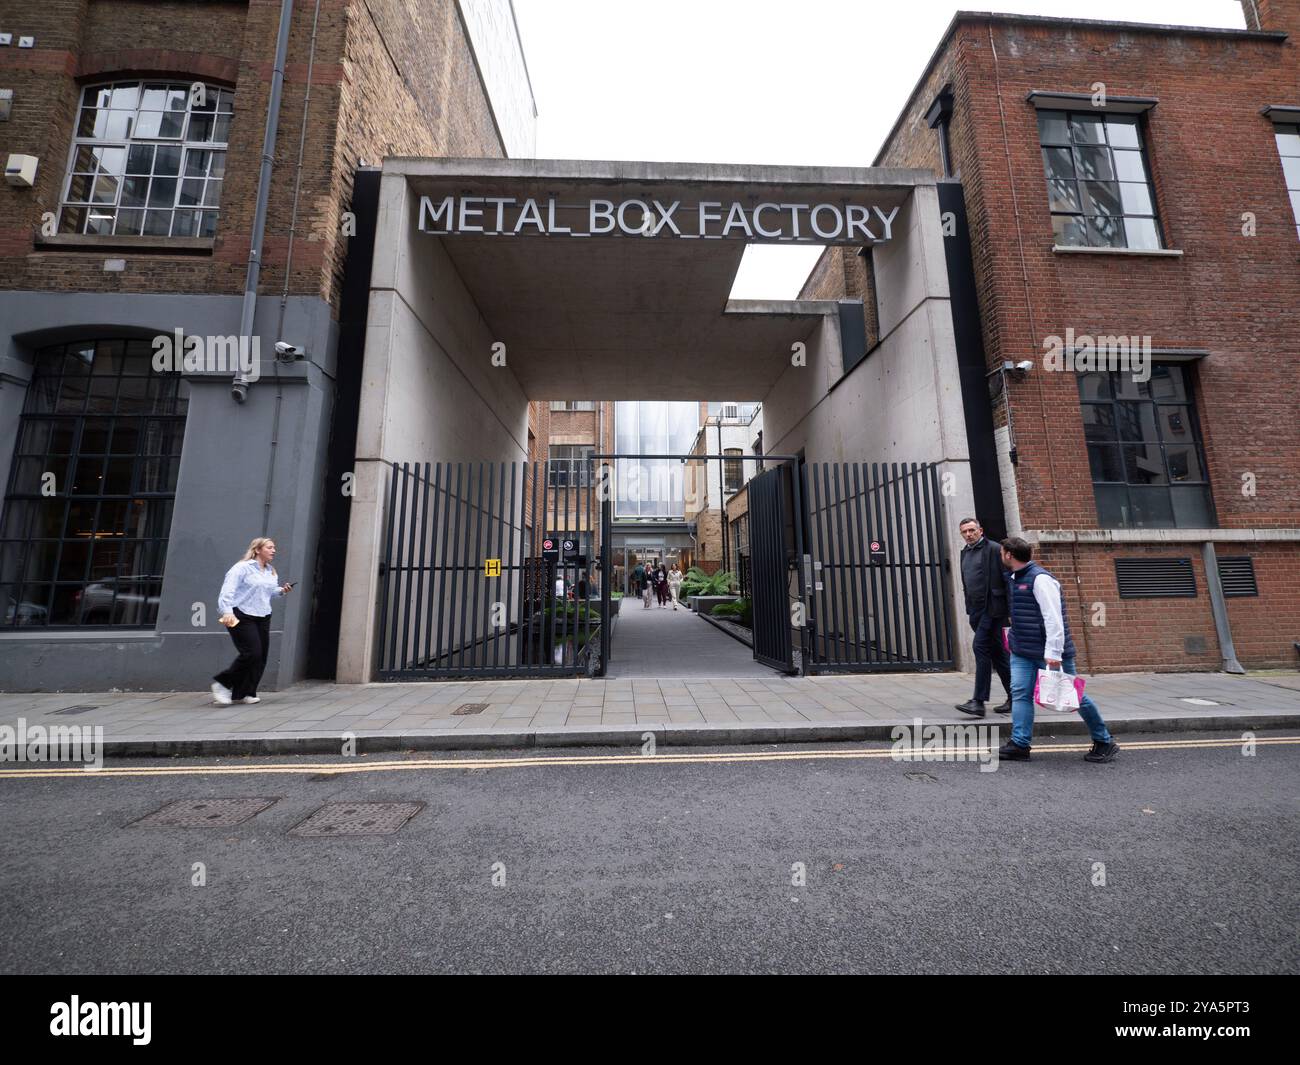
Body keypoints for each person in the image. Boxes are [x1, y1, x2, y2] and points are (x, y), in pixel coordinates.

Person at [998, 537, 1118, 763]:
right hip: (1022, 650)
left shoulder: (1041, 580)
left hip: (1048, 653)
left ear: (1008, 555)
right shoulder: (1017, 578)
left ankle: (1104, 740)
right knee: (1020, 693)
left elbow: (1053, 620)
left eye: (1002, 553)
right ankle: (1020, 744)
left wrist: (1053, 654)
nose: (1001, 556)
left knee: (1074, 697)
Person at [211, 537, 292, 706]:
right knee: (252, 653)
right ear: (257, 550)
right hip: (240, 614)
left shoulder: (270, 571)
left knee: (260, 656)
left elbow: (268, 592)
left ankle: (246, 692)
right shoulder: (242, 568)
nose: (274, 550)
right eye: (269, 547)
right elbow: (228, 590)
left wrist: (282, 591)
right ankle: (222, 684)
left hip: (263, 615)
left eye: (274, 547)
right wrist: (227, 611)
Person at [954, 517, 1011, 718]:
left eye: (971, 530)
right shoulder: (965, 552)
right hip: (976, 610)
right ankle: (1016, 697)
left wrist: (1009, 610)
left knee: (980, 647)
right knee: (998, 653)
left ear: (981, 530)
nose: (968, 534)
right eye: (964, 532)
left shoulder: (994, 549)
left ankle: (978, 702)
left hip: (992, 608)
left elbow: (1007, 580)